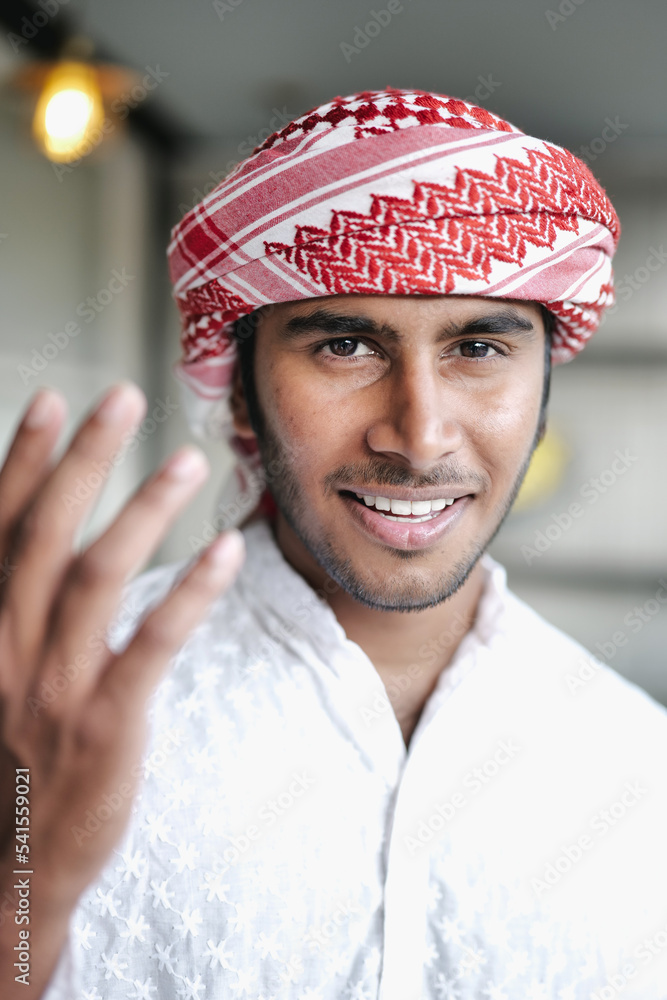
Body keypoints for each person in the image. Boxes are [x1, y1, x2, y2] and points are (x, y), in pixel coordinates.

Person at [1, 88, 666, 1000]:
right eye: (347, 345)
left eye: (478, 347)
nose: (420, 434)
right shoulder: (40, 708)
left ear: (543, 386)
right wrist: (24, 889)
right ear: (238, 396)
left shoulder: (636, 765)